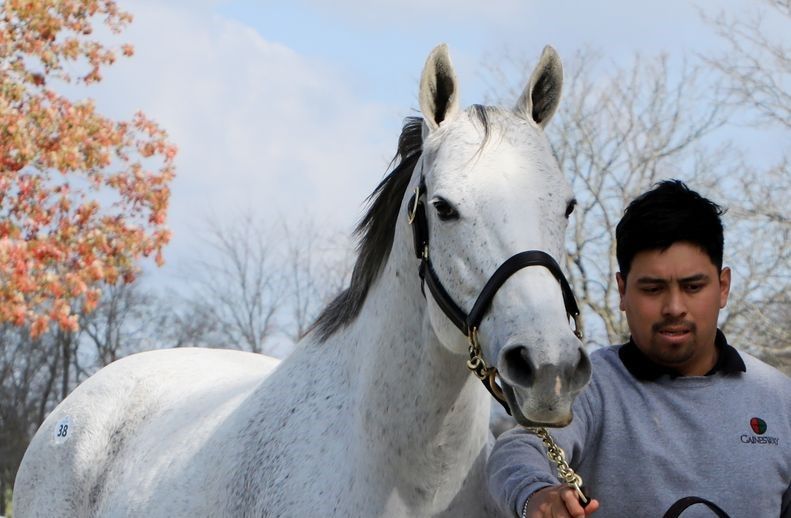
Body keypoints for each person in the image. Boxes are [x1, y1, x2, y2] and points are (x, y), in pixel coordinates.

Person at [487, 180, 791, 518]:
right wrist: (536, 495)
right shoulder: (590, 388)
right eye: (652, 288)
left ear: (723, 287)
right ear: (622, 290)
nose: (674, 307)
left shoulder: (779, 398)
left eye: (693, 287)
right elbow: (517, 450)